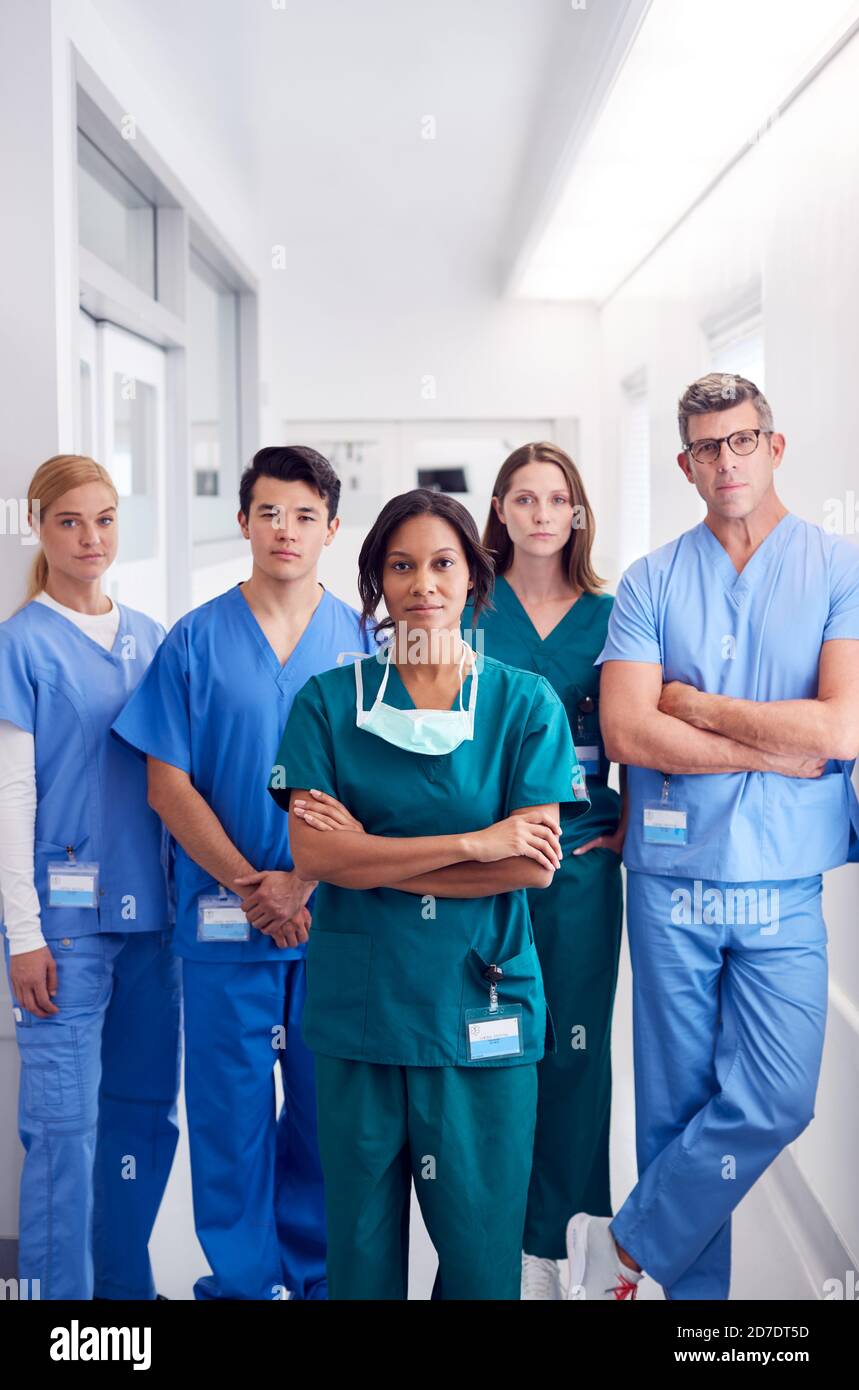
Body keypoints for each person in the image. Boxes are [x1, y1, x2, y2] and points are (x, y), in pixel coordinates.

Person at [566, 373, 859, 1301]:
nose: (725, 461)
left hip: (782, 887)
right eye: (706, 447)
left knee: (777, 1098)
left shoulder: (837, 568)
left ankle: (624, 1248)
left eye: (742, 441)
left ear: (774, 447)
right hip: (671, 883)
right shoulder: (650, 581)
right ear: (684, 464)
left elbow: (840, 730)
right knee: (674, 1110)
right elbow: (628, 732)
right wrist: (772, 748)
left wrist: (698, 706)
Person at [268, 488, 590, 1300]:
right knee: (360, 1255)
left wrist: (366, 853)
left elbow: (533, 866)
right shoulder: (327, 703)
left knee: (483, 1261)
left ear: (472, 577)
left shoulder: (523, 704)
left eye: (442, 563)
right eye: (401, 566)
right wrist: (470, 842)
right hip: (362, 1017)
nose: (423, 584)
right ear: (375, 580)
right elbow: (312, 852)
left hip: (478, 1011)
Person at [112, 445, 374, 1301]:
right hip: (225, 929)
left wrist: (301, 882)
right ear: (242, 522)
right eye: (269, 512)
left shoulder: (365, 644)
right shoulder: (194, 639)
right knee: (229, 1127)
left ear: (333, 528)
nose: (285, 531)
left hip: (334, 924)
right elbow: (166, 782)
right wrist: (251, 884)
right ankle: (246, 1285)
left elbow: (387, 783)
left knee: (324, 1121)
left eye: (304, 515)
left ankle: (315, 1279)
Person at [0, 454, 180, 1301]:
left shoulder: (152, 635)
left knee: (143, 1113)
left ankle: (123, 1299)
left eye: (104, 518)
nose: (90, 537)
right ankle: (55, 1308)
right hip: (64, 927)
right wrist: (25, 934)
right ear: (38, 526)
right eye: (70, 521)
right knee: (64, 1127)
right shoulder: (22, 643)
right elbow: (11, 797)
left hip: (158, 917)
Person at [463, 442, 627, 1299]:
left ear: (575, 513)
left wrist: (630, 818)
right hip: (482, 862)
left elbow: (639, 725)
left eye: (553, 499)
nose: (537, 514)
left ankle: (570, 1240)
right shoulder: (468, 610)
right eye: (521, 498)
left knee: (575, 1053)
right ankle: (505, 1246)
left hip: (580, 865)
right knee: (495, 1049)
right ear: (498, 510)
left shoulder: (609, 614)